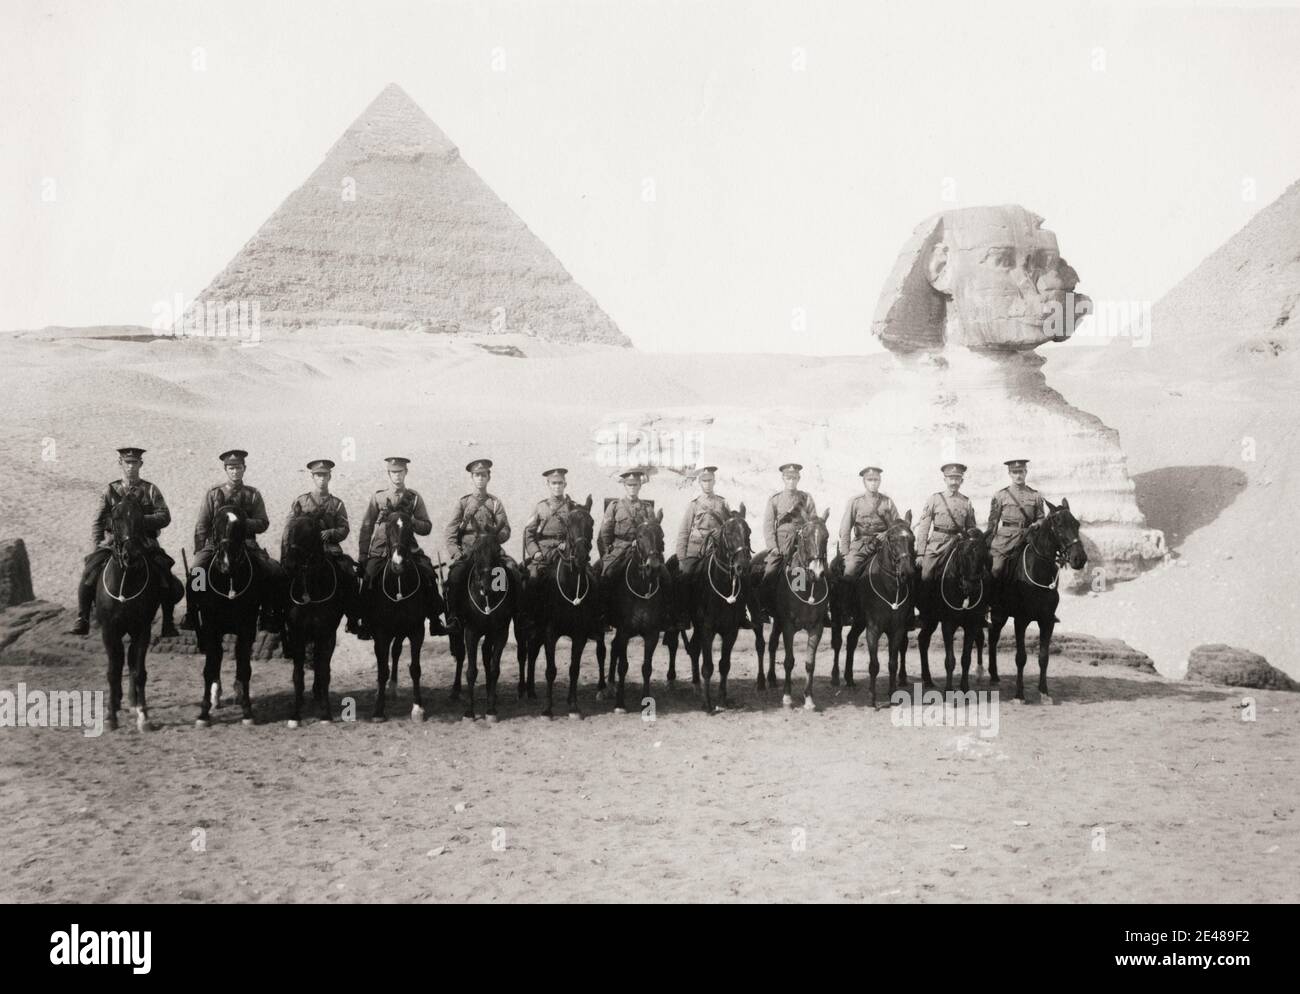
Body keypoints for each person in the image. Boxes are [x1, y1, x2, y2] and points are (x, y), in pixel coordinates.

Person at [71, 446, 182, 637]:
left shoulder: (150, 490)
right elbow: (98, 519)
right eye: (127, 462)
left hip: (145, 542)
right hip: (115, 542)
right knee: (90, 570)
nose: (131, 467)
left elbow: (165, 516)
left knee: (164, 572)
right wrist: (98, 543)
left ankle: (168, 622)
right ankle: (83, 618)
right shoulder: (111, 490)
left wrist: (140, 521)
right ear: (120, 464)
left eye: (134, 463)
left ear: (141, 464)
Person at [184, 449, 287, 632]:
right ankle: (192, 611)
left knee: (274, 572)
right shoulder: (213, 494)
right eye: (231, 468)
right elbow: (202, 524)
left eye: (238, 467)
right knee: (196, 572)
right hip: (217, 543)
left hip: (246, 543)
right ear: (225, 470)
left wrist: (242, 524)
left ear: (244, 469)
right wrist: (201, 549)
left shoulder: (252, 494)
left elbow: (263, 522)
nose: (235, 471)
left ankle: (268, 613)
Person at [356, 456, 446, 637]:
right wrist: (364, 554)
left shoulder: (413, 498)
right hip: (381, 549)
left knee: (428, 572)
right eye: (393, 472)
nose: (397, 476)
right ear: (388, 474)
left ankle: (435, 620)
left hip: (408, 548)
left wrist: (412, 521)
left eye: (400, 472)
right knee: (369, 577)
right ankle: (365, 621)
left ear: (406, 472)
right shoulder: (378, 497)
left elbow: (426, 527)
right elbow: (367, 526)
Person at [283, 459, 361, 634]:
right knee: (285, 577)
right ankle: (280, 616)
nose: (321, 479)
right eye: (318, 475)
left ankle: (353, 618)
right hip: (305, 553)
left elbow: (344, 528)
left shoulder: (337, 504)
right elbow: (289, 528)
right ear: (312, 477)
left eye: (324, 475)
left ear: (330, 477)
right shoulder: (301, 501)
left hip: (330, 550)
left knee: (349, 574)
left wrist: (332, 533)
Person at [443, 459, 517, 631]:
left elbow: (505, 528)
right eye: (477, 475)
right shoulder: (464, 503)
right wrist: (455, 552)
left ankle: (514, 614)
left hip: (491, 553)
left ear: (488, 477)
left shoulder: (495, 503)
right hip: (469, 552)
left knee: (512, 570)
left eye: (484, 475)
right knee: (455, 576)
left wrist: (495, 537)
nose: (480, 478)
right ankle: (454, 616)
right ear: (472, 478)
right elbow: (451, 531)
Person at [594, 468, 673, 622]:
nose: (632, 488)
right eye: (629, 485)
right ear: (624, 486)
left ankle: (666, 616)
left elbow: (654, 531)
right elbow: (604, 533)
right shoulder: (615, 506)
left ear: (640, 486)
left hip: (643, 551)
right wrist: (607, 553)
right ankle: (601, 615)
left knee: (665, 576)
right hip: (619, 548)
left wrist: (646, 545)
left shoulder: (647, 508)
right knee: (604, 574)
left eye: (635, 484)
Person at [674, 465, 731, 627]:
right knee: (685, 577)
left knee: (735, 576)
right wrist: (681, 557)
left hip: (716, 549)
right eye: (704, 481)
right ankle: (683, 615)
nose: (707, 484)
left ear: (714, 481)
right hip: (696, 551)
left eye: (710, 481)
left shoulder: (722, 503)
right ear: (700, 483)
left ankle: (738, 614)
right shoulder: (694, 505)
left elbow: (730, 528)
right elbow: (684, 531)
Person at [758, 462, 818, 616]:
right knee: (770, 572)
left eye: (794, 478)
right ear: (783, 479)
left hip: (803, 545)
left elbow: (813, 523)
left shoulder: (806, 498)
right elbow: (768, 525)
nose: (791, 481)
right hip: (781, 544)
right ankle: (764, 608)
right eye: (788, 478)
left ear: (799, 479)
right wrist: (773, 547)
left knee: (821, 572)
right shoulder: (775, 499)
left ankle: (821, 611)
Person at [521, 467, 578, 622]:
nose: (557, 486)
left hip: (566, 551)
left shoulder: (573, 507)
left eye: (560, 483)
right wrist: (535, 552)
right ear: (548, 484)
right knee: (532, 577)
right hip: (544, 551)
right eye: (553, 483)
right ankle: (530, 617)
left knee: (587, 575)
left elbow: (579, 533)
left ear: (565, 484)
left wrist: (568, 544)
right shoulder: (540, 507)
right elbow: (529, 533)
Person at [915, 462, 978, 583]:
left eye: (957, 478)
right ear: (945, 480)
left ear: (962, 481)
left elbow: (971, 529)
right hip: (937, 546)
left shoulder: (966, 502)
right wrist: (920, 553)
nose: (954, 482)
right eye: (951, 478)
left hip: (958, 545)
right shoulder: (934, 499)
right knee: (926, 575)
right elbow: (924, 528)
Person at [986, 459, 1046, 580]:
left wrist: (1037, 524)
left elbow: (1041, 518)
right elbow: (993, 522)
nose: (1018, 475)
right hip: (1005, 540)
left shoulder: (1036, 495)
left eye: (1021, 472)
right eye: (1015, 472)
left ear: (1026, 472)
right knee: (996, 568)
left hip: (1028, 537)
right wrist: (988, 541)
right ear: (1010, 474)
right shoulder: (1000, 495)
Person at [838, 465, 899, 580]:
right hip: (861, 545)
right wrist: (845, 553)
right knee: (850, 570)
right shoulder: (855, 502)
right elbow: (845, 528)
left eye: (876, 480)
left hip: (884, 543)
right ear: (864, 482)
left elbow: (898, 526)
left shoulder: (887, 501)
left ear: (880, 482)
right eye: (870, 480)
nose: (873, 483)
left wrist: (886, 533)